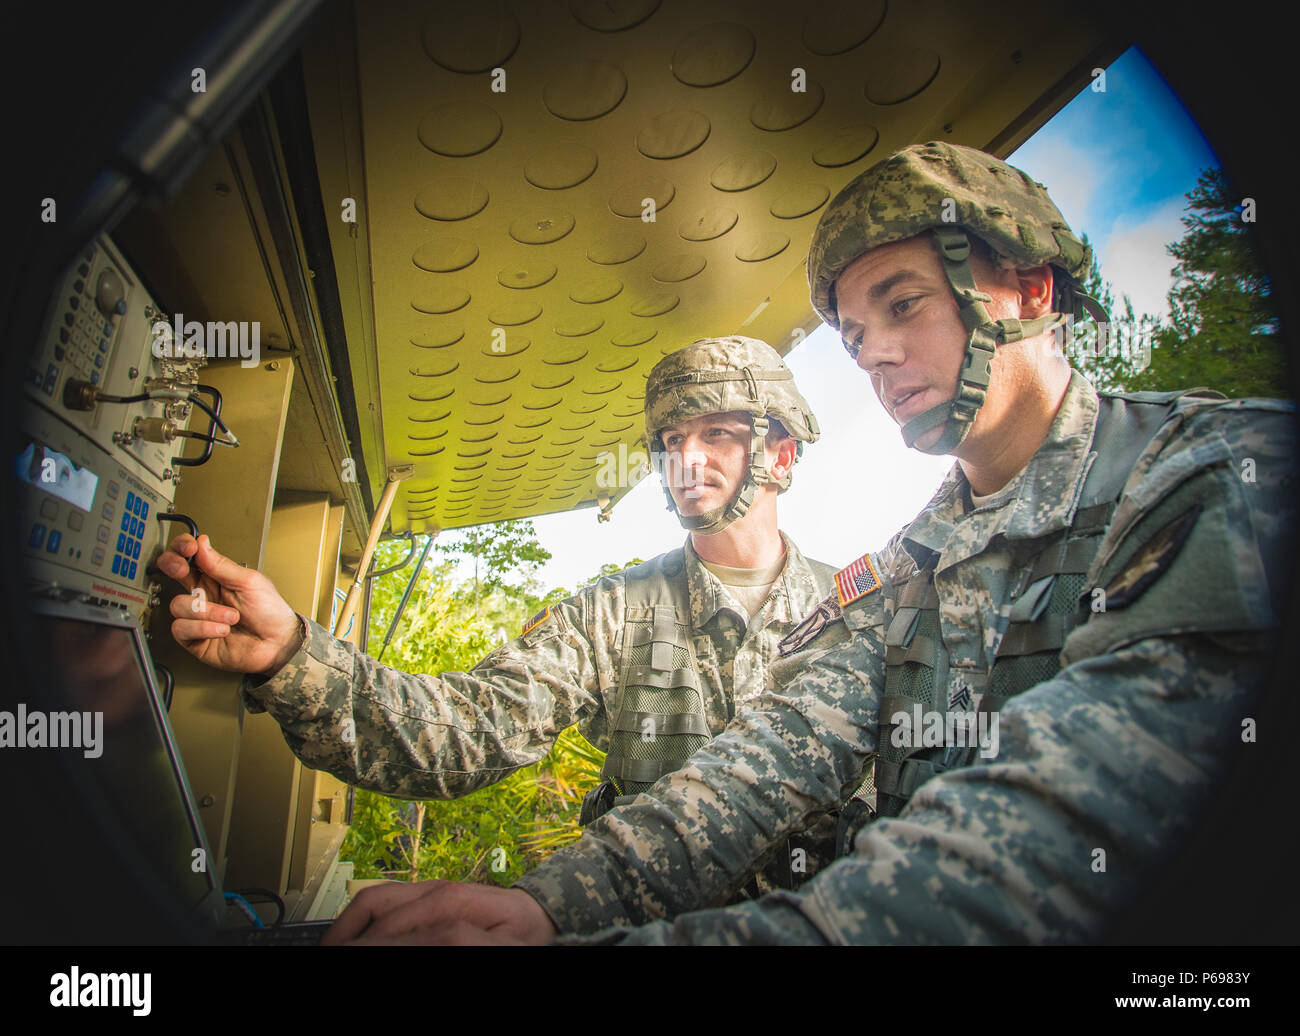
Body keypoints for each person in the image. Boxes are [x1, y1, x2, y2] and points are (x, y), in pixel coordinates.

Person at [321, 141, 1296, 945]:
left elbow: (1045, 838)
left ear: (1031, 291)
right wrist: (544, 905)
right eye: (849, 327)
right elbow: (761, 770)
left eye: (901, 303)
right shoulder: (908, 572)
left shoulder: (1212, 477)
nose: (869, 350)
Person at [159, 336, 840, 892]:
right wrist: (289, 656)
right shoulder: (616, 612)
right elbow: (466, 731)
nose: (685, 460)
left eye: (717, 434)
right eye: (671, 438)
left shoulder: (858, 611)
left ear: (780, 453)